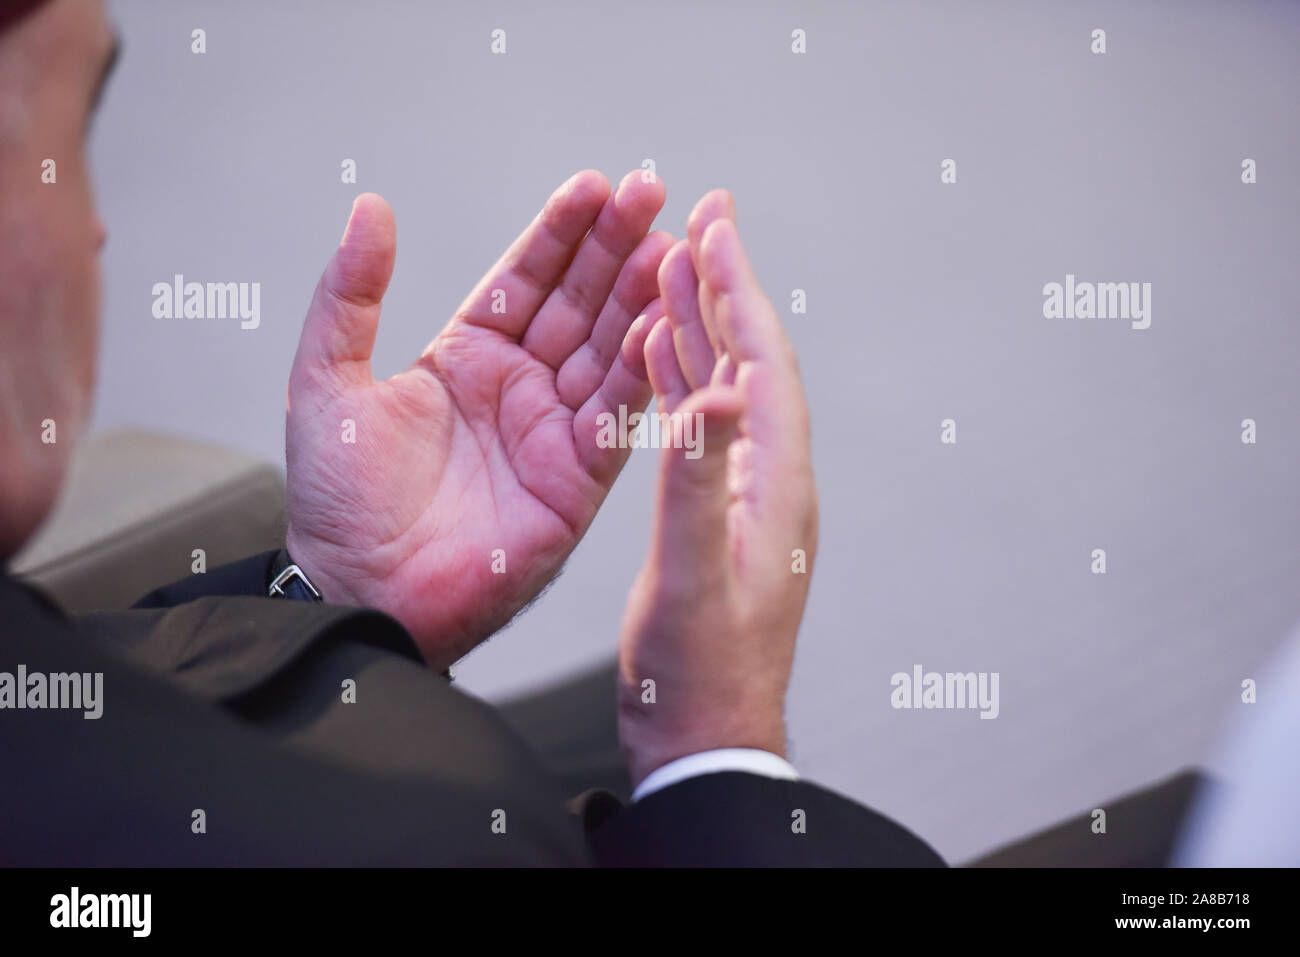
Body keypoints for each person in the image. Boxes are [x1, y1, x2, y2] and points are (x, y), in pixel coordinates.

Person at [0, 0, 946, 865]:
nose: (97, 227)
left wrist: (331, 592)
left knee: (583, 715)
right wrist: (716, 750)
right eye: (73, 132)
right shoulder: (438, 833)